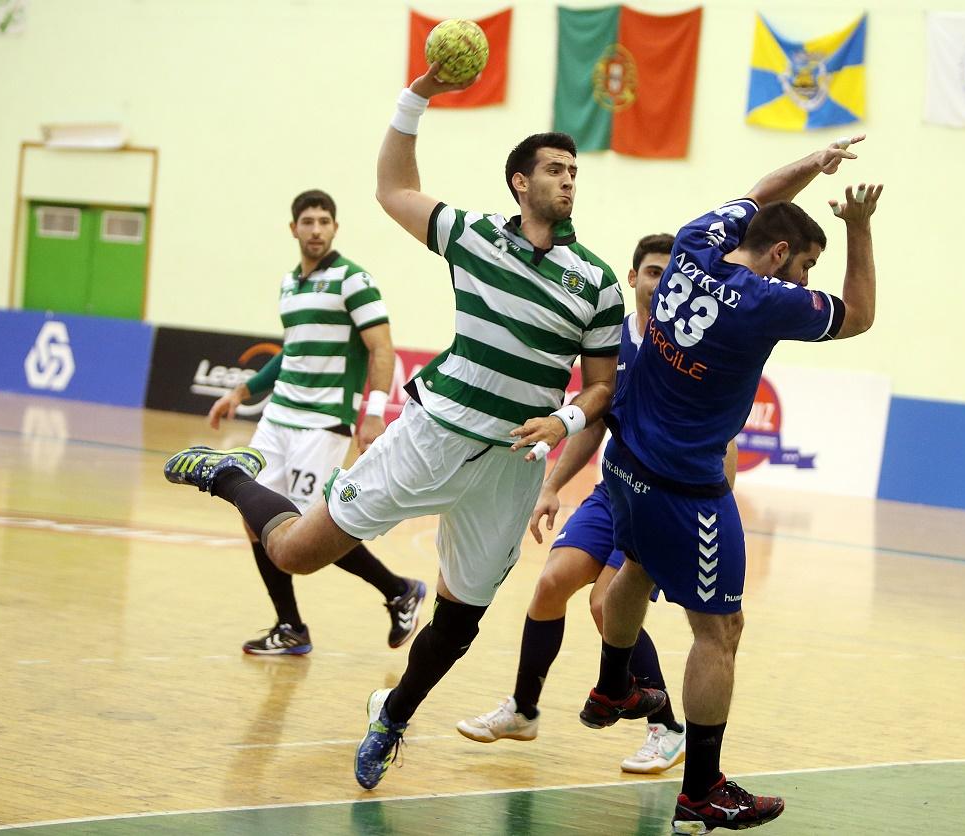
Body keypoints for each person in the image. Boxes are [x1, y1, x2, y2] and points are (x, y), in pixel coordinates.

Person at [160, 64, 627, 791]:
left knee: (461, 620)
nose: (568, 181)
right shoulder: (474, 237)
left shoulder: (596, 281)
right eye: (554, 170)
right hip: (430, 436)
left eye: (574, 172)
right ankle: (225, 475)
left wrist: (564, 418)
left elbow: (602, 386)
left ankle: (393, 718)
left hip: (512, 468)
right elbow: (392, 188)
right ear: (519, 182)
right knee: (294, 554)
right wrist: (418, 96)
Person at [582, 140, 881, 833]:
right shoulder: (765, 302)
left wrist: (812, 161)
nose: (805, 278)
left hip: (623, 462)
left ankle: (613, 683)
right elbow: (860, 315)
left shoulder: (691, 243)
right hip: (684, 485)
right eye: (805, 265)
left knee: (637, 564)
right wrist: (860, 228)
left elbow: (759, 191)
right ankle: (701, 791)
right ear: (779, 255)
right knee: (720, 631)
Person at [458, 234, 740, 775]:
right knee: (550, 583)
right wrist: (551, 486)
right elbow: (592, 422)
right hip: (613, 490)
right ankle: (523, 710)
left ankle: (667, 727)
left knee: (604, 604)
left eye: (671, 274)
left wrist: (712, 508)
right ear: (632, 278)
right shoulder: (613, 342)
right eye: (652, 272)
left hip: (664, 500)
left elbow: (720, 431)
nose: (661, 283)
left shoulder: (692, 344)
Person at [203, 189, 426, 655]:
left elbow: (381, 349)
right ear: (294, 229)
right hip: (277, 418)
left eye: (325, 221)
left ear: (335, 228)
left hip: (323, 423)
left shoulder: (353, 280)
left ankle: (398, 589)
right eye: (308, 221)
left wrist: (373, 413)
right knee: (255, 518)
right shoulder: (290, 284)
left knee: (305, 531)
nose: (317, 229)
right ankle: (290, 627)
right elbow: (291, 351)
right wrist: (241, 392)